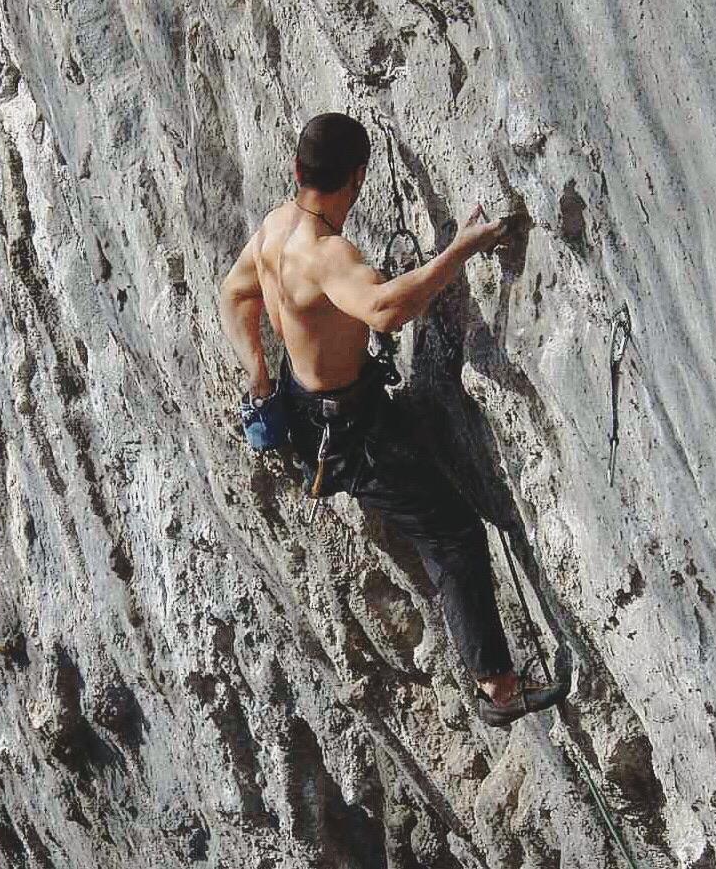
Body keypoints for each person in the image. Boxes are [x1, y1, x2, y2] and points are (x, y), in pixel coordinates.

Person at [219, 112, 569, 727]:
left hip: (312, 410)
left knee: (435, 481)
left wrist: (259, 374)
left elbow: (235, 293)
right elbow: (384, 312)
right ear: (356, 178)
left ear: (298, 171)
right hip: (353, 435)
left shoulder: (276, 229)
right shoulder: (325, 255)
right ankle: (498, 689)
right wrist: (460, 249)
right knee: (455, 534)